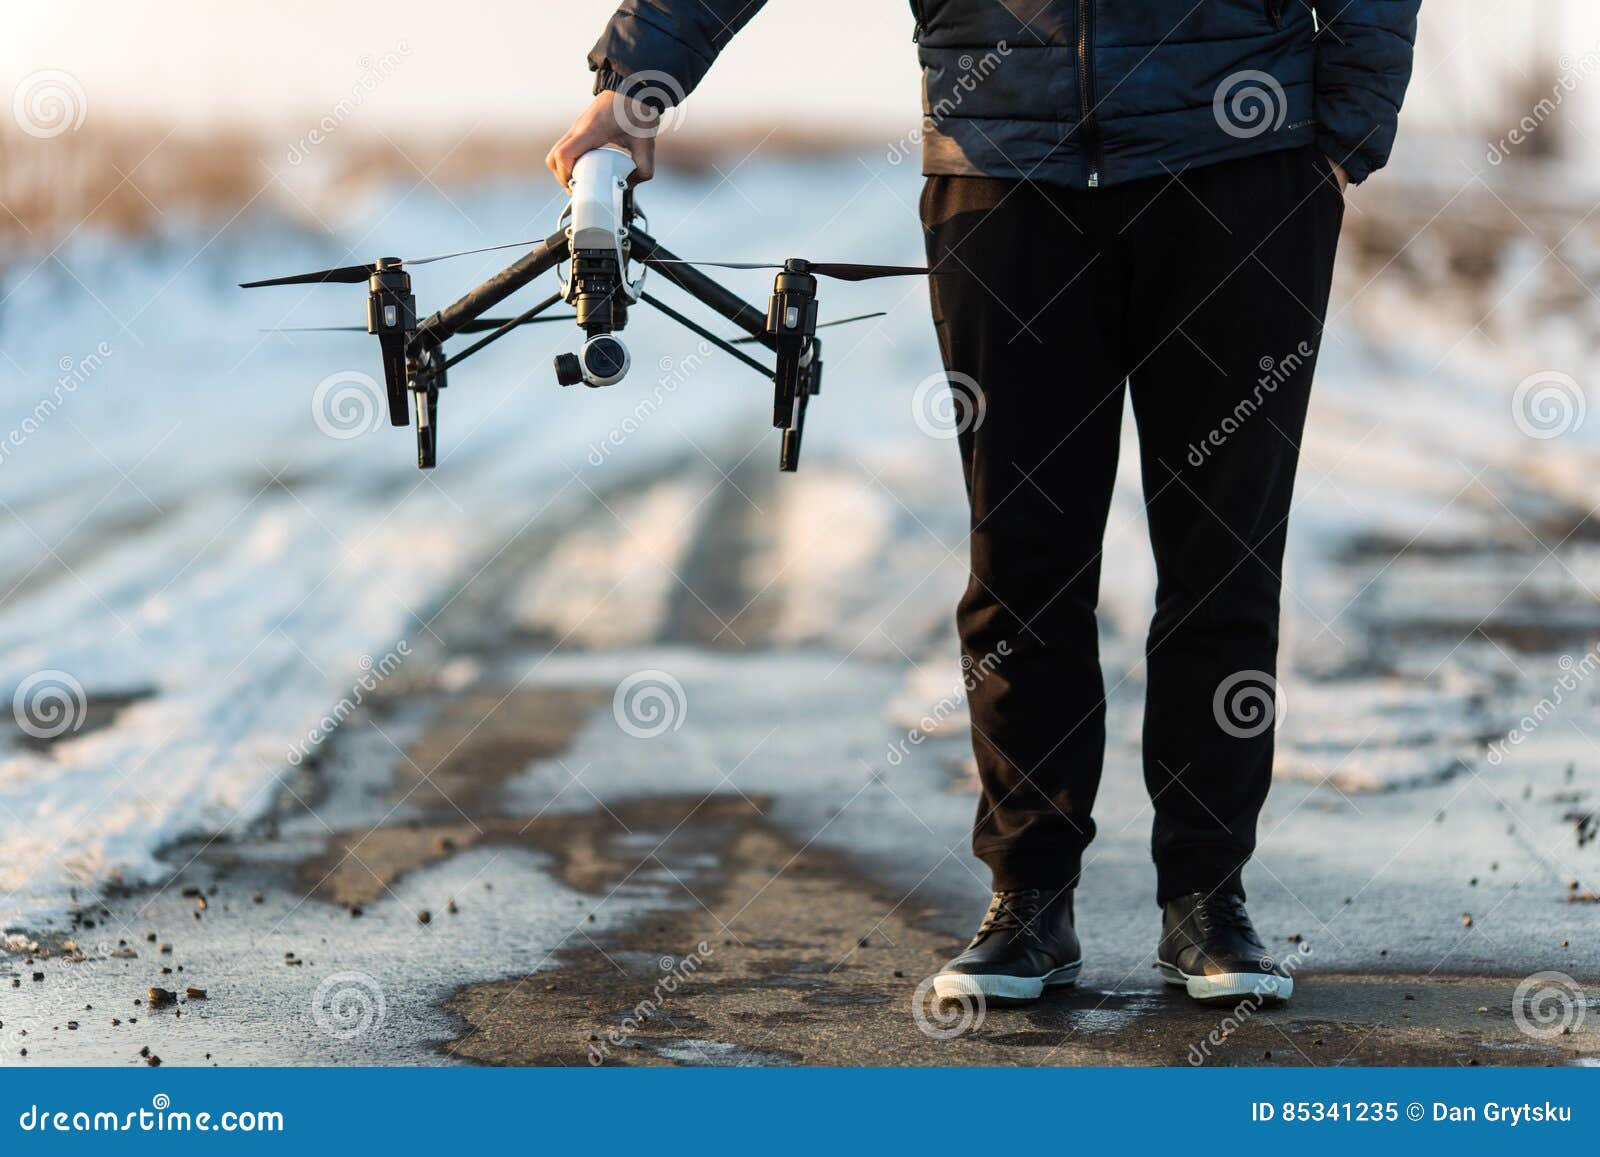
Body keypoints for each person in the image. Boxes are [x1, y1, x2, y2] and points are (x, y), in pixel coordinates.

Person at [548, 1, 1419, 1006]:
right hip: (1005, 170)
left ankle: (1207, 898)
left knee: (1222, 551)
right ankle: (1030, 897)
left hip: (1237, 161)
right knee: (1020, 553)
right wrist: (631, 86)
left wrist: (1348, 124)